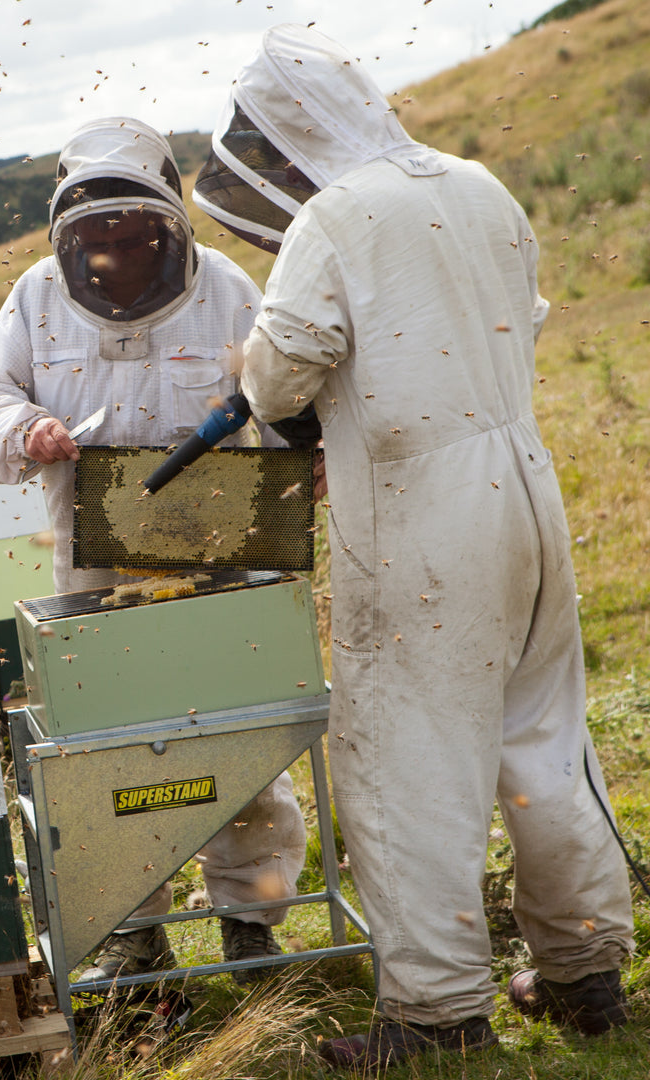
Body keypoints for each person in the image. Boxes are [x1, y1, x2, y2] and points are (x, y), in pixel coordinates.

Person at [194, 24, 635, 1068]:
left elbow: (281, 377)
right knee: (544, 735)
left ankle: (435, 1017)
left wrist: (250, 369)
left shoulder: (337, 217)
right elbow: (515, 322)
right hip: (526, 489)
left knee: (405, 757)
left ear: (292, 137)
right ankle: (585, 977)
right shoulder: (480, 185)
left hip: (418, 514)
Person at [0, 116, 308, 985]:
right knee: (116, 757)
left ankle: (250, 924)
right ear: (67, 236)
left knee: (245, 740)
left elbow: (291, 401)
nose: (114, 252)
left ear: (169, 225)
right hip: (95, 560)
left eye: (133, 236)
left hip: (223, 551)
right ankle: (133, 933)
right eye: (98, 239)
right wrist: (27, 426)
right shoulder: (37, 299)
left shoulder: (228, 290)